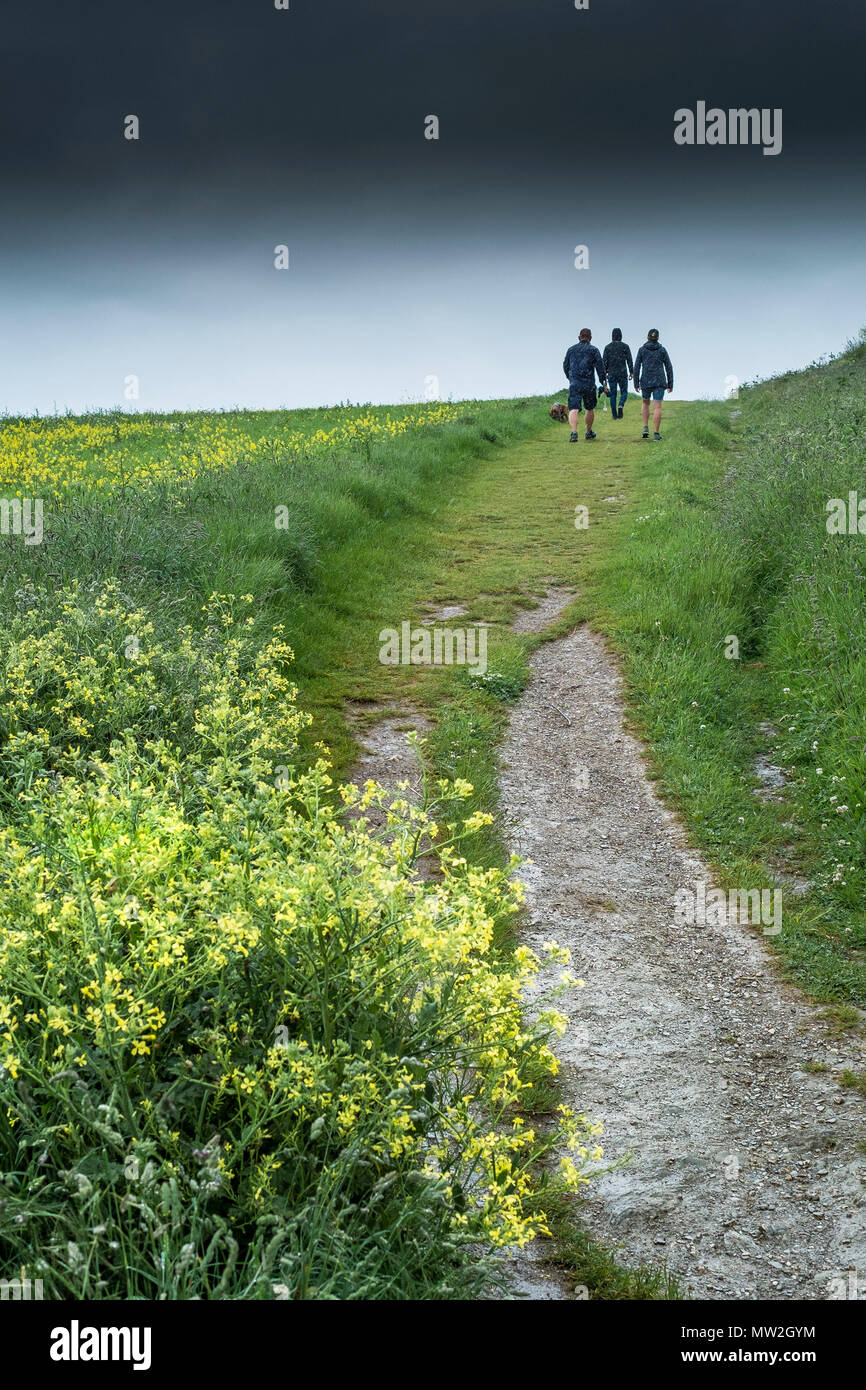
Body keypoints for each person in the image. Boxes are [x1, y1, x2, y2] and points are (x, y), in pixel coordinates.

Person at [563, 328, 607, 442]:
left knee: (573, 408)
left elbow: (565, 366)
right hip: (589, 384)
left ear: (579, 337)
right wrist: (604, 383)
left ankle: (574, 433)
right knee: (589, 408)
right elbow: (600, 369)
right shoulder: (594, 350)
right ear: (590, 338)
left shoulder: (571, 350)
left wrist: (570, 378)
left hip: (575, 383)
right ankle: (588, 432)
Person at [633, 328, 673, 440]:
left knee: (645, 403)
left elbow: (637, 367)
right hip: (659, 381)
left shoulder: (642, 350)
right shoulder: (662, 350)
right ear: (657, 338)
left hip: (645, 380)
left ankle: (645, 427)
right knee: (657, 407)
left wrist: (636, 383)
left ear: (648, 337)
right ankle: (656, 433)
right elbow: (669, 367)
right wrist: (670, 383)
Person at [602, 328, 633, 419]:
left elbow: (604, 362)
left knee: (613, 394)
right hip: (622, 373)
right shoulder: (625, 347)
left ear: (612, 336)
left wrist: (605, 373)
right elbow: (629, 360)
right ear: (621, 336)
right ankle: (621, 405)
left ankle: (614, 415)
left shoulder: (607, 347)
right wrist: (631, 372)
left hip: (611, 374)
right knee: (624, 392)